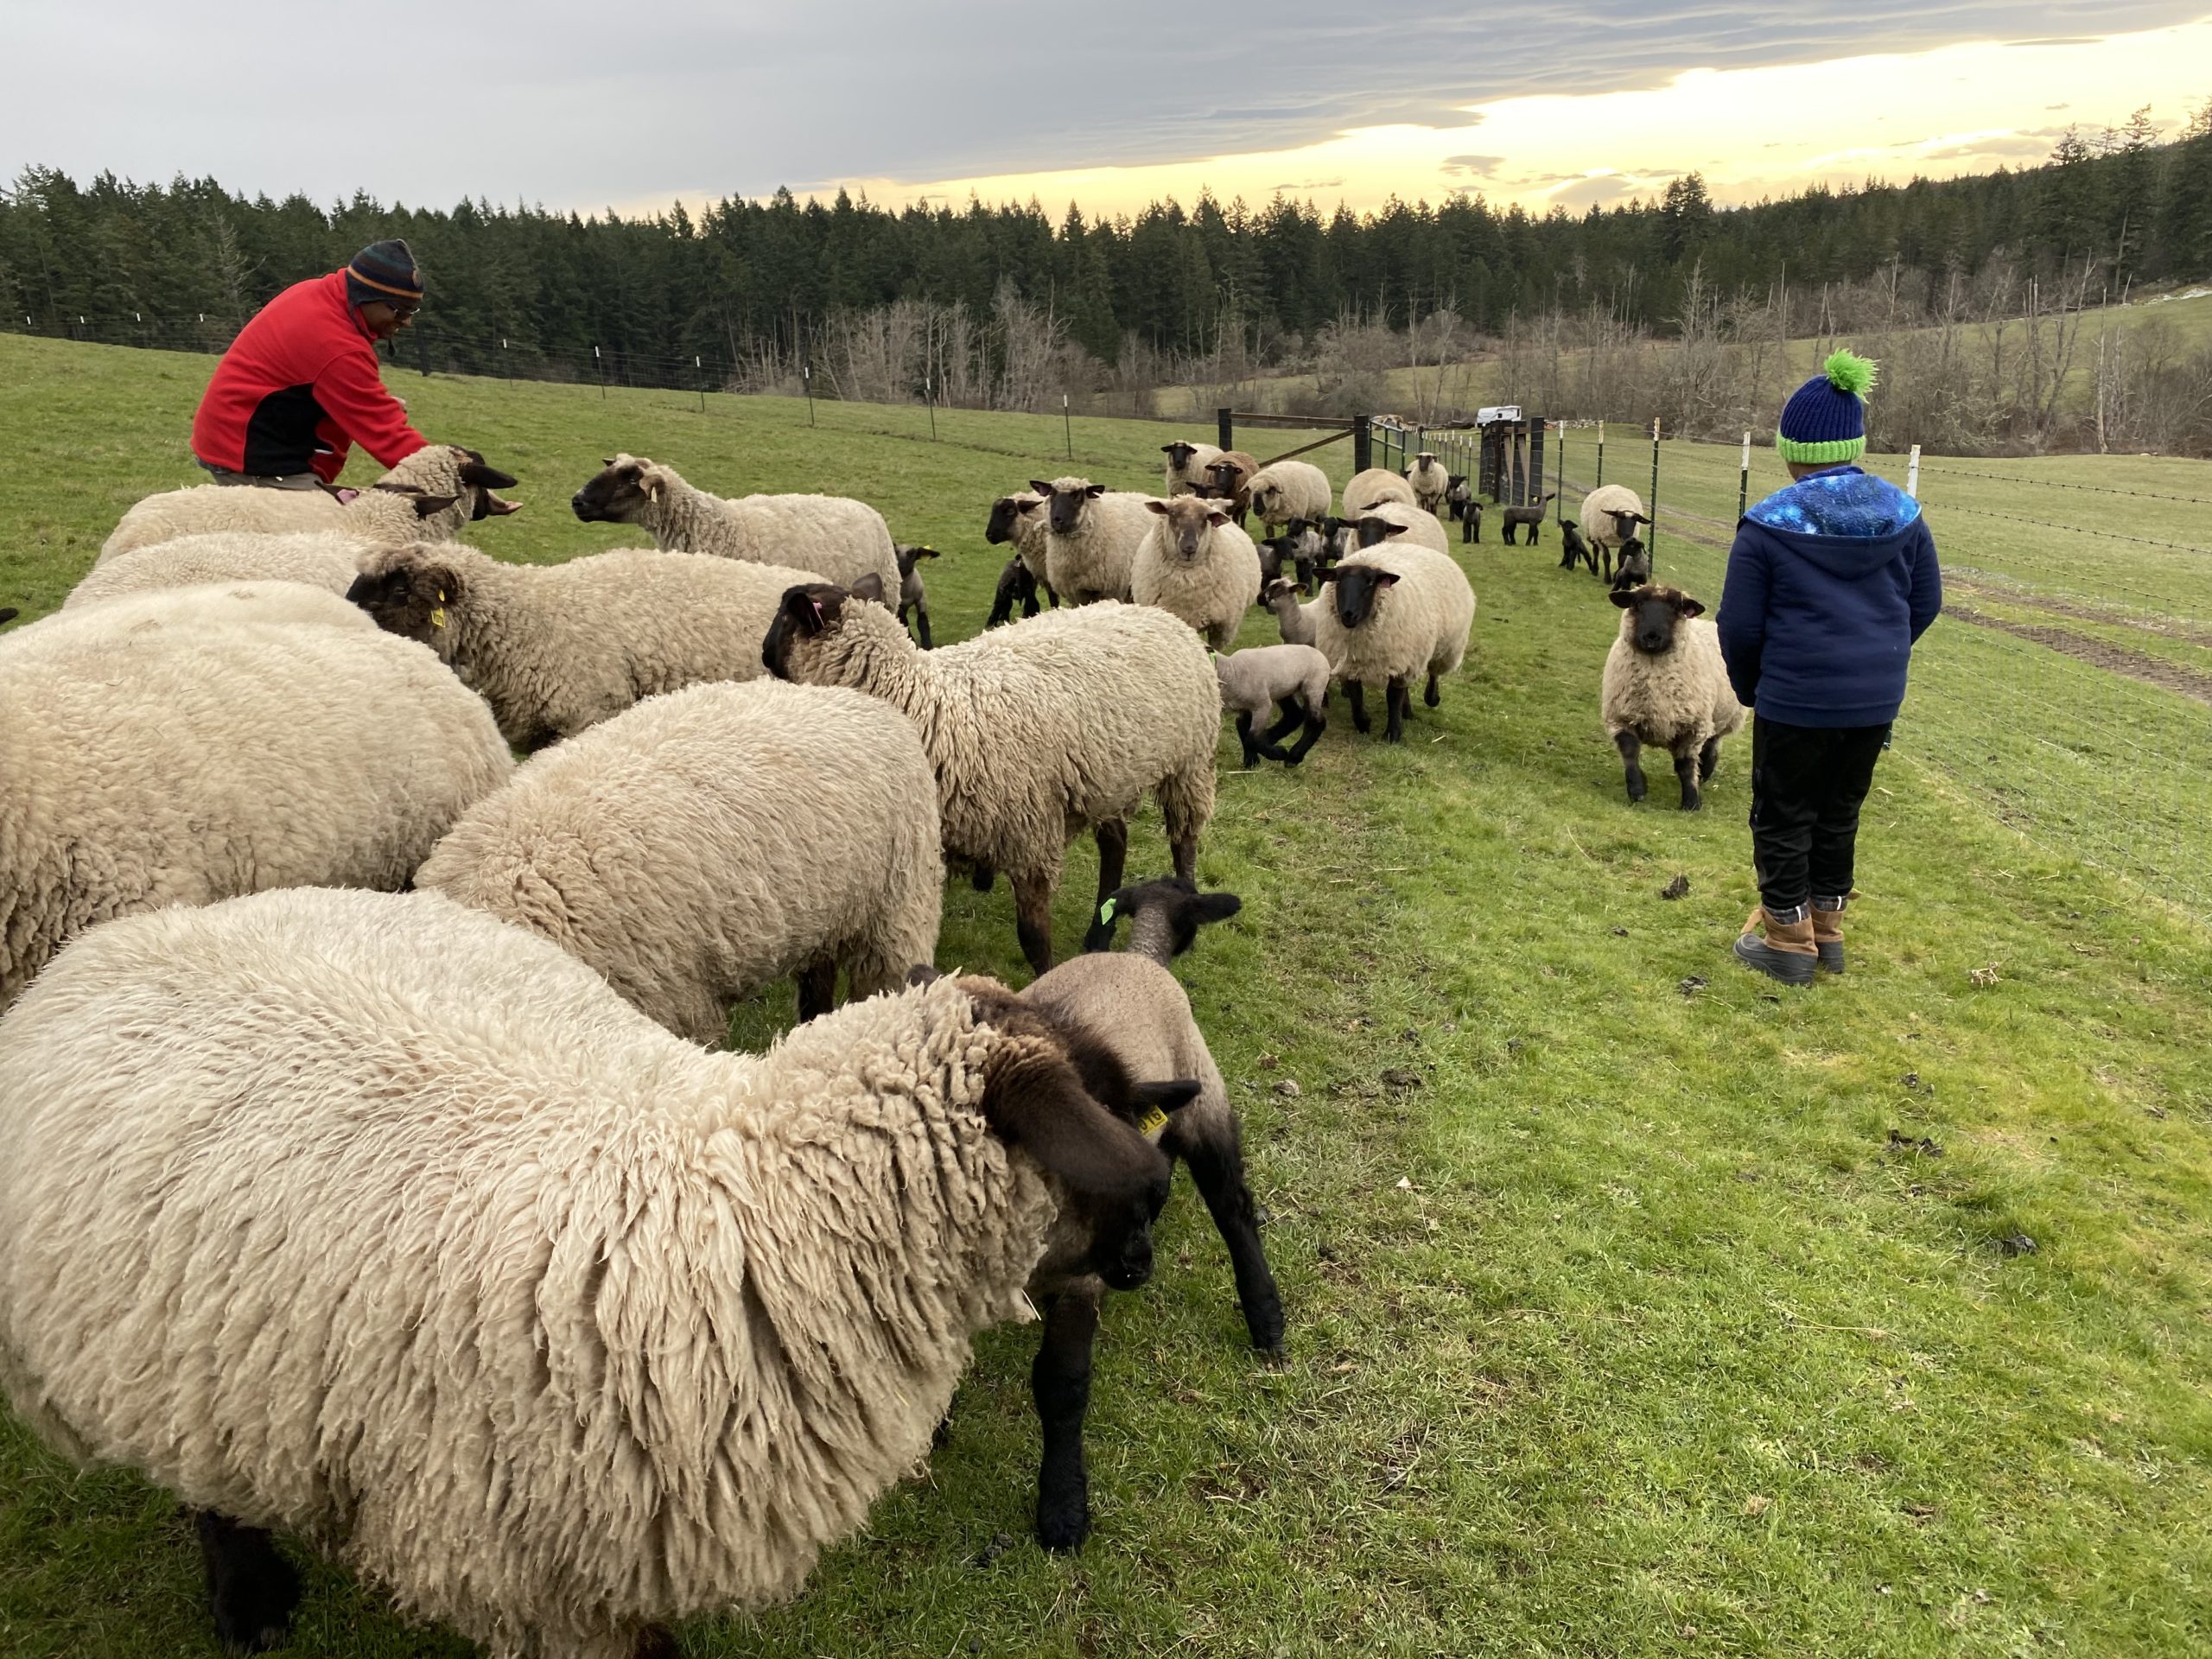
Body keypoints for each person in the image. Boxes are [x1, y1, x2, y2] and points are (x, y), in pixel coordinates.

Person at [1716, 350, 1942, 986]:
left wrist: (1754, 685)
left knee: (1784, 813)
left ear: (1793, 448)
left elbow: (1738, 626)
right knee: (1840, 811)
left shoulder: (1768, 526)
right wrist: (1879, 657)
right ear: (1854, 443)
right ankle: (1829, 932)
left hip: (1797, 696)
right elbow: (1925, 601)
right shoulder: (1903, 515)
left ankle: (1789, 942)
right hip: (1874, 699)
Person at [189, 239, 429, 490]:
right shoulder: (337, 345)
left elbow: (315, 381)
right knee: (329, 526)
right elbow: (389, 438)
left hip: (240, 435)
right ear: (365, 295)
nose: (406, 322)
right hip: (254, 457)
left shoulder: (319, 292)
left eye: (413, 311)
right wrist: (454, 473)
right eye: (399, 311)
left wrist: (372, 405)